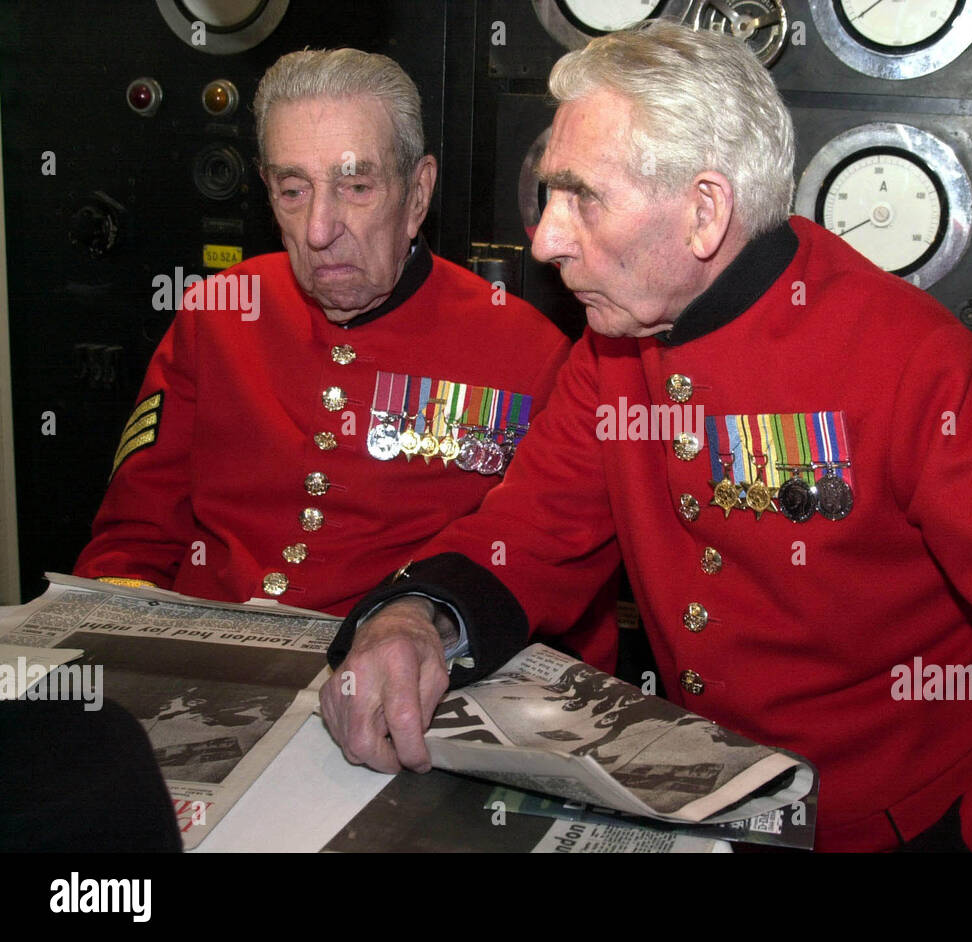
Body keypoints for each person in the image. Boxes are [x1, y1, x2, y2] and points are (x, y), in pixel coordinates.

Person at [320, 23, 972, 851]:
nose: (545, 238)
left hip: (889, 823)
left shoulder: (910, 369)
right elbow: (532, 531)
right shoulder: (620, 340)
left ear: (705, 212)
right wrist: (416, 617)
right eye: (549, 193)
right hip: (698, 797)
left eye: (582, 199)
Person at [72, 48, 613, 667]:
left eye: (356, 187)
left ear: (417, 193)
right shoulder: (221, 313)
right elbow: (133, 539)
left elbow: (553, 581)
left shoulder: (529, 354)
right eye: (293, 189)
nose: (318, 228)